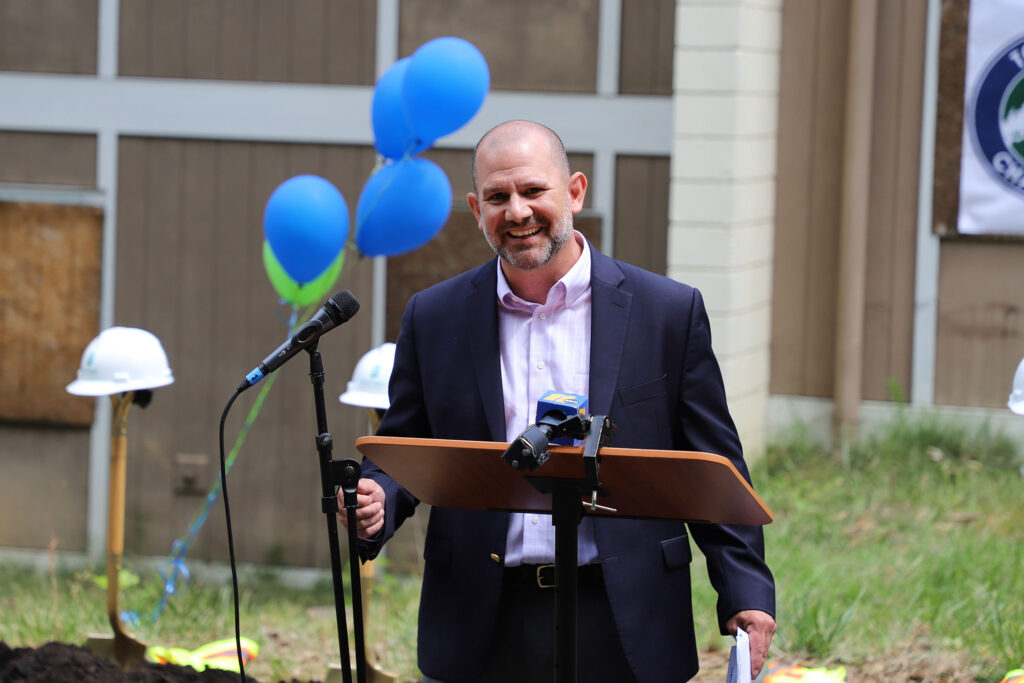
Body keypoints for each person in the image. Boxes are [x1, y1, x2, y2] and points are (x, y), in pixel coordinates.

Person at [340, 120, 776, 683]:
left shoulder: (667, 312)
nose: (516, 211)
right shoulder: (435, 316)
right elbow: (405, 446)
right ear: (477, 209)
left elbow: (713, 465)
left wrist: (745, 592)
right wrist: (378, 497)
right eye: (497, 197)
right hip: (481, 616)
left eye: (532, 191)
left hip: (625, 615)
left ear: (574, 191)